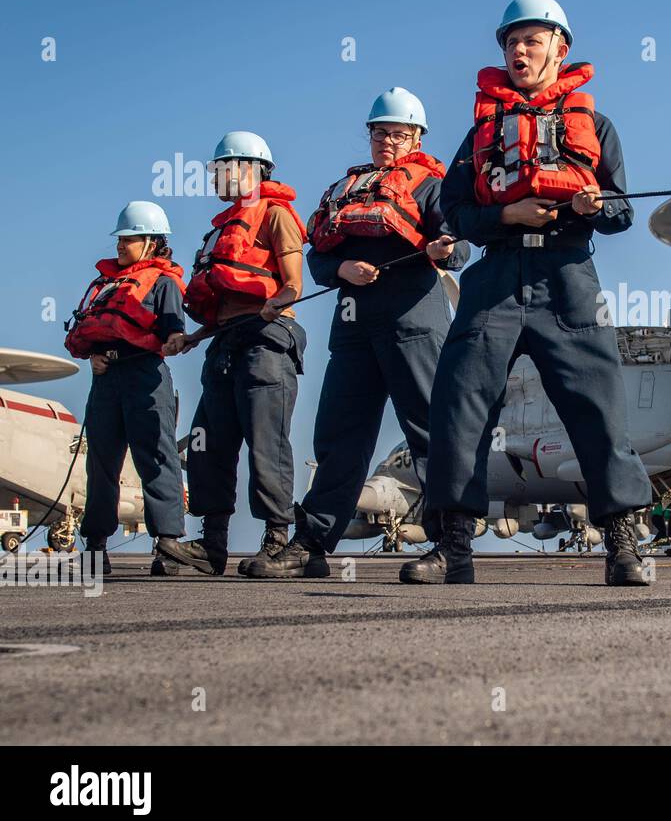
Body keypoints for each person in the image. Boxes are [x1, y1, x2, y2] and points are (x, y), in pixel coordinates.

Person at [399, 0, 653, 586]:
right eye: (511, 41)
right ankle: (453, 547)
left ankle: (620, 546)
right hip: (493, 279)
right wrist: (507, 219)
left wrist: (592, 206)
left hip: (568, 278)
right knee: (458, 408)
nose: (519, 50)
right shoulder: (481, 132)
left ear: (559, 50)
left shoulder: (598, 124)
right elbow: (456, 213)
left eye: (531, 40)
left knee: (598, 410)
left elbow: (621, 210)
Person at [246, 89, 468, 578]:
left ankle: (452, 545)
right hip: (352, 330)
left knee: (430, 432)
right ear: (369, 136)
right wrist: (342, 266)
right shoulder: (346, 191)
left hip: (415, 324)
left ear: (417, 137)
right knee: (338, 436)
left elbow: (460, 246)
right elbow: (319, 257)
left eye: (400, 134)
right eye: (381, 133)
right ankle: (313, 544)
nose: (389, 142)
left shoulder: (432, 186)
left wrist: (444, 250)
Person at [155, 132, 307, 576]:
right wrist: (193, 337)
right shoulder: (220, 229)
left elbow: (294, 282)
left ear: (254, 169)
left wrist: (279, 299)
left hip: (268, 339)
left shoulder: (276, 215)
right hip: (224, 343)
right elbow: (224, 308)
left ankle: (277, 539)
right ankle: (212, 545)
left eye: (224, 168)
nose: (217, 177)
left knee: (266, 444)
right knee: (208, 444)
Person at [64, 201, 188, 575]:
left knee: (156, 458)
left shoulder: (163, 282)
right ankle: (95, 546)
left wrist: (175, 339)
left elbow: (172, 328)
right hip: (105, 380)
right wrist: (93, 358)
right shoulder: (106, 285)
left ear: (151, 242)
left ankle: (167, 546)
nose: (121, 245)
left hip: (145, 377)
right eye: (120, 238)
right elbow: (87, 331)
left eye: (129, 239)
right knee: (100, 464)